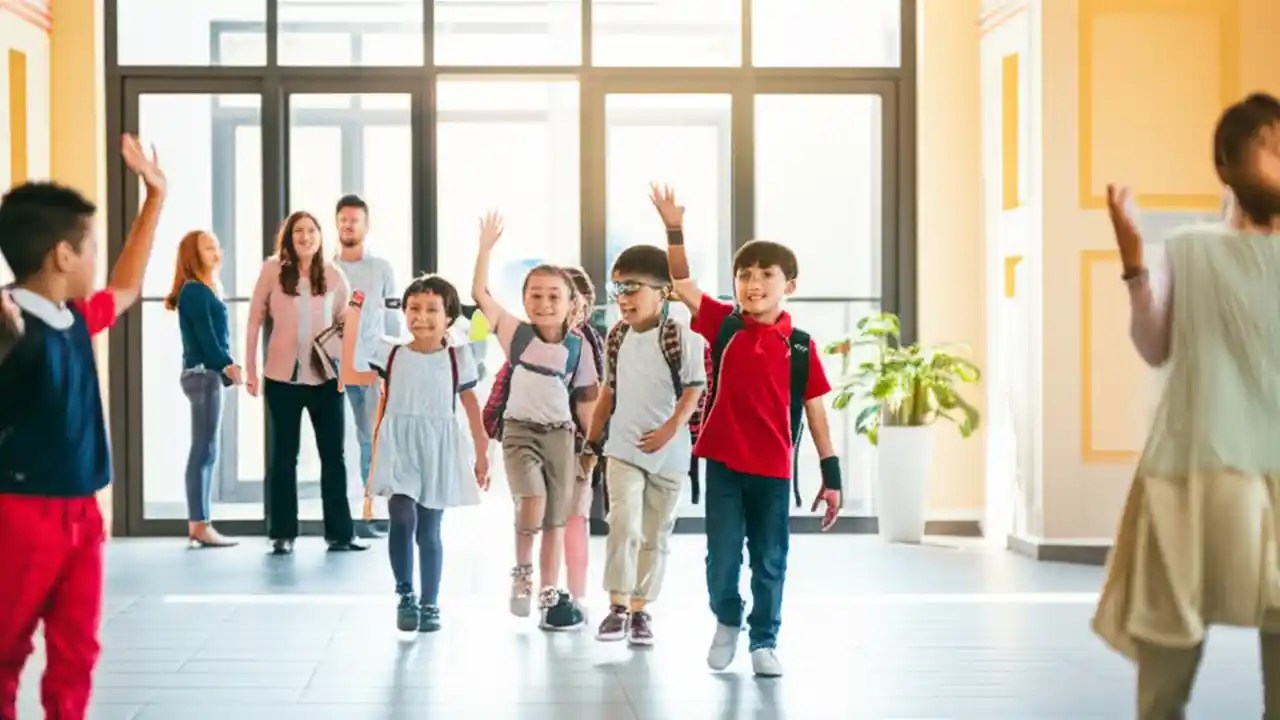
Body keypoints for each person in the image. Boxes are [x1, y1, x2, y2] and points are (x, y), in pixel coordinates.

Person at [1092, 92, 1280, 720]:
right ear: (1228, 163)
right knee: (1165, 666)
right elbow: (1155, 345)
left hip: (1263, 468)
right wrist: (1133, 263)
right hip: (1192, 469)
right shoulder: (1193, 249)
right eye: (1269, 145)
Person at [0, 134, 165, 720]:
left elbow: (125, 288)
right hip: (19, 513)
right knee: (5, 650)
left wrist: (155, 197)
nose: (97, 258)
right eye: (91, 246)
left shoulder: (71, 317)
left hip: (81, 512)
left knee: (77, 651)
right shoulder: (9, 323)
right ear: (62, 257)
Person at [657, 183, 844, 678]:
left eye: (766, 275)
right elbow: (682, 283)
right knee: (721, 559)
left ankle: (764, 639)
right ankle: (727, 618)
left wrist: (832, 477)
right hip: (722, 463)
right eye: (745, 275)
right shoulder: (724, 324)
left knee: (770, 560)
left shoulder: (800, 346)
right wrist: (674, 229)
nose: (753, 283)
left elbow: (817, 414)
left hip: (774, 471)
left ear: (789, 285)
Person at [469, 211, 599, 631]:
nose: (544, 303)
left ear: (571, 303)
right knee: (532, 501)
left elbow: (588, 404)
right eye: (535, 295)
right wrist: (485, 249)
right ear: (524, 300)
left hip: (561, 437)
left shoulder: (579, 348)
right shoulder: (515, 333)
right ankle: (522, 575)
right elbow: (480, 293)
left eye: (553, 296)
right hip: (520, 433)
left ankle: (549, 591)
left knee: (556, 520)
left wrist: (592, 449)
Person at [341, 274, 489, 633]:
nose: (421, 316)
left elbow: (471, 406)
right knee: (402, 515)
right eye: (414, 308)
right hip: (399, 446)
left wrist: (482, 454)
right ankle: (405, 593)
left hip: (437, 450)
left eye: (432, 309)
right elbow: (351, 370)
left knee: (429, 530)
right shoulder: (391, 353)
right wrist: (355, 313)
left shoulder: (458, 358)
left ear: (449, 316)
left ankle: (430, 602)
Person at [585, 243, 706, 647]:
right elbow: (607, 393)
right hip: (623, 447)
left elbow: (694, 389)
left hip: (670, 452)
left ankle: (641, 609)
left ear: (663, 291)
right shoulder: (616, 336)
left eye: (632, 287)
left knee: (656, 532)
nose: (622, 298)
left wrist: (670, 430)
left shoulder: (681, 334)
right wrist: (590, 444)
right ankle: (617, 606)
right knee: (623, 522)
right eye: (617, 288)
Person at [245, 211, 364, 555]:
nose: (306, 236)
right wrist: (251, 368)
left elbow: (347, 322)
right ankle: (282, 534)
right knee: (283, 458)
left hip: (325, 379)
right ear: (289, 236)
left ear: (320, 236)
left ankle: (340, 534)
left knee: (333, 457)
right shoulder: (272, 270)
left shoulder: (333, 274)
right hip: (281, 379)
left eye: (312, 230)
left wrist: (348, 352)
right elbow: (254, 320)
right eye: (299, 230)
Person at [164, 230, 242, 548]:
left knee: (206, 449)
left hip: (206, 375)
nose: (217, 252)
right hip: (203, 375)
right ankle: (199, 524)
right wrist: (228, 366)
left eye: (216, 246)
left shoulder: (206, 288)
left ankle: (200, 523)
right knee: (203, 450)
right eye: (209, 248)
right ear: (194, 256)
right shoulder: (195, 291)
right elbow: (208, 338)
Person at [331, 194, 399, 539]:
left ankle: (371, 510)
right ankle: (339, 516)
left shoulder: (381, 269)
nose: (348, 225)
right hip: (331, 368)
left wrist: (394, 362)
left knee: (370, 439)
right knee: (334, 444)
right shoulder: (326, 270)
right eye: (343, 219)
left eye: (354, 220)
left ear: (366, 225)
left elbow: (393, 319)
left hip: (371, 367)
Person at [561, 266, 604, 622]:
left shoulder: (590, 340)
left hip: (578, 443)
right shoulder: (534, 337)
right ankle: (557, 593)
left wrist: (594, 447)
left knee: (575, 518)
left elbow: (594, 398)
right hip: (542, 442)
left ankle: (576, 596)